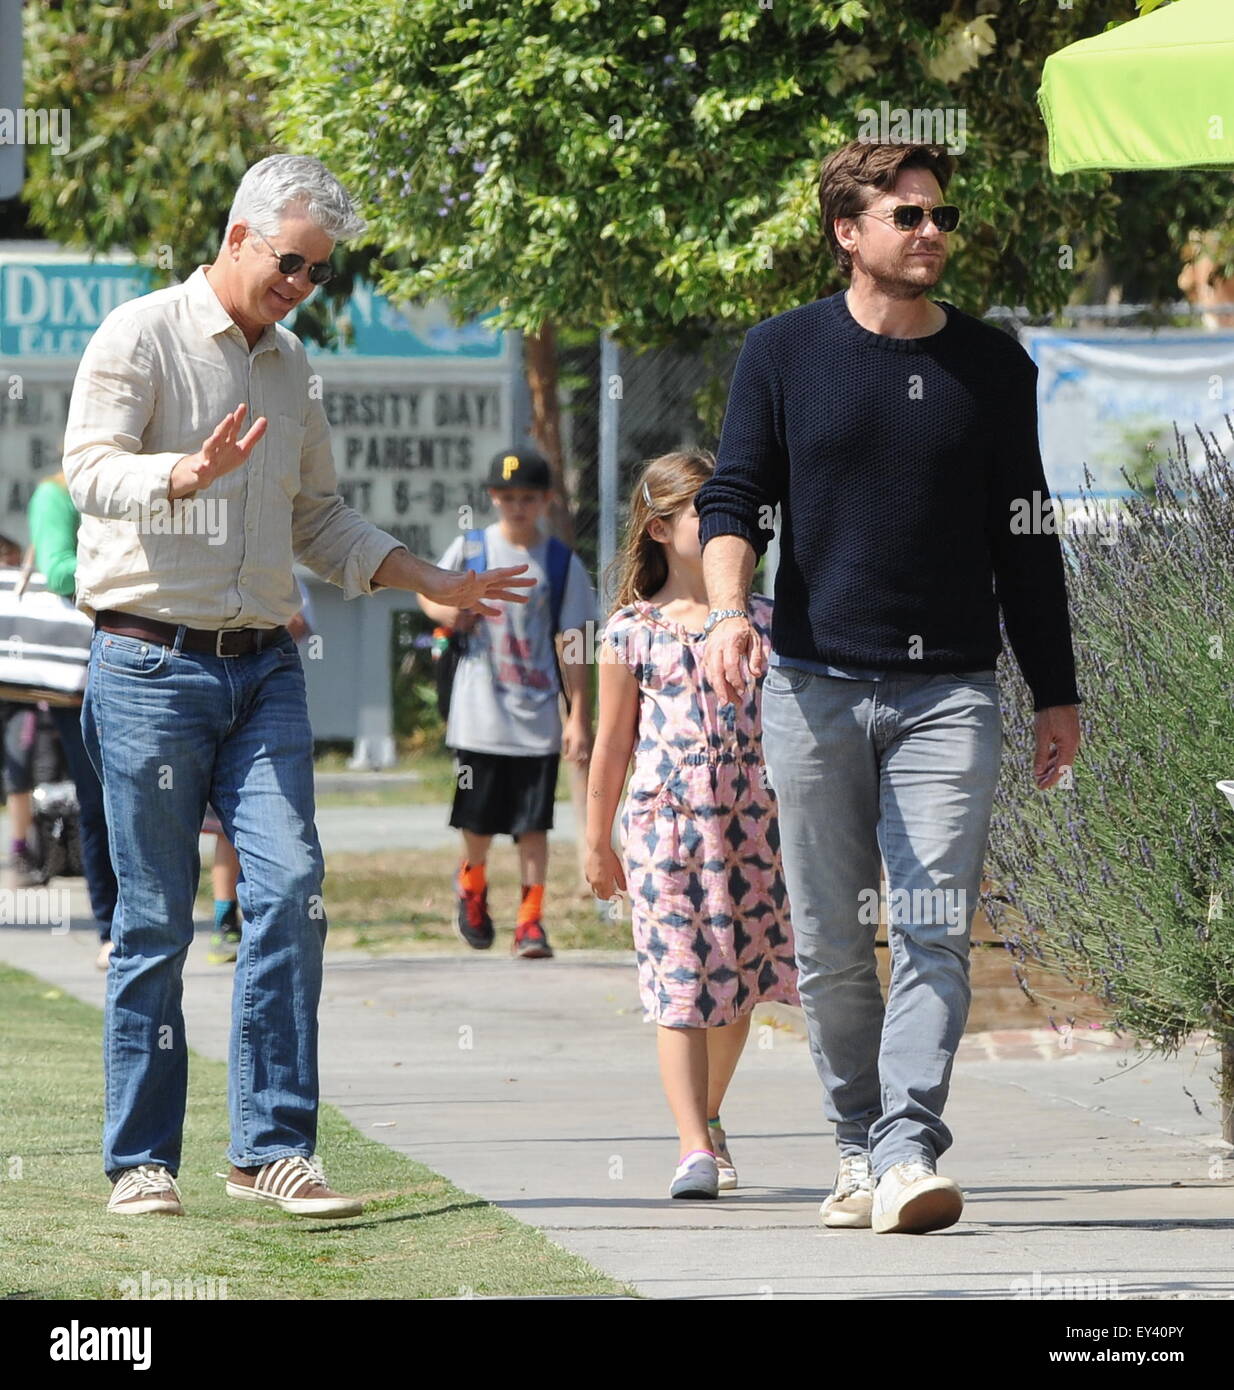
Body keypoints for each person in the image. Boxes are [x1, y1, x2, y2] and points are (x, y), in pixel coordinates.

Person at [62, 154, 533, 1220]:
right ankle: (141, 1159)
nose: (300, 287)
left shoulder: (292, 369)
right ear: (237, 238)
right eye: (289, 264)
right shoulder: (138, 336)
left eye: (317, 273)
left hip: (264, 665)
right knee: (155, 921)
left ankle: (270, 1147)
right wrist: (178, 473)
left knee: (289, 889)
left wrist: (426, 579)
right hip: (146, 664)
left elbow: (317, 516)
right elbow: (88, 467)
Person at [696, 139, 1082, 1234]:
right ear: (846, 232)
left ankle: (909, 1144)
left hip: (949, 692)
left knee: (930, 924)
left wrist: (1054, 690)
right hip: (812, 687)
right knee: (826, 938)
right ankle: (855, 1142)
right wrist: (731, 612)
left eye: (941, 217)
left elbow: (1029, 536)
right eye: (906, 215)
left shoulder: (993, 365)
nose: (930, 233)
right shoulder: (781, 353)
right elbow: (734, 499)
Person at [586, 450, 799, 1199]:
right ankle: (691, 1148)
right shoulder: (627, 632)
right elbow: (610, 743)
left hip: (751, 831)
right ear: (657, 527)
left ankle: (707, 1119)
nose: (722, 530)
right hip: (665, 835)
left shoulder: (762, 622)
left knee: (737, 987)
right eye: (706, 515)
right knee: (680, 985)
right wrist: (595, 839)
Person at [418, 448, 596, 959]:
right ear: (494, 498)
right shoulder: (473, 548)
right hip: (479, 715)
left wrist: (578, 714)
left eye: (528, 498)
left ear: (545, 501)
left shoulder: (559, 562)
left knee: (532, 825)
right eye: (508, 497)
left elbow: (574, 642)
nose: (517, 507)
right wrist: (453, 612)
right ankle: (472, 890)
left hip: (536, 713)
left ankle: (531, 921)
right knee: (476, 824)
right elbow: (427, 593)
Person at [27, 470, 120, 967]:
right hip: (79, 680)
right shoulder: (55, 494)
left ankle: (139, 917)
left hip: (140, 665)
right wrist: (130, 562)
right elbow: (58, 570)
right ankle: (110, 926)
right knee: (99, 799)